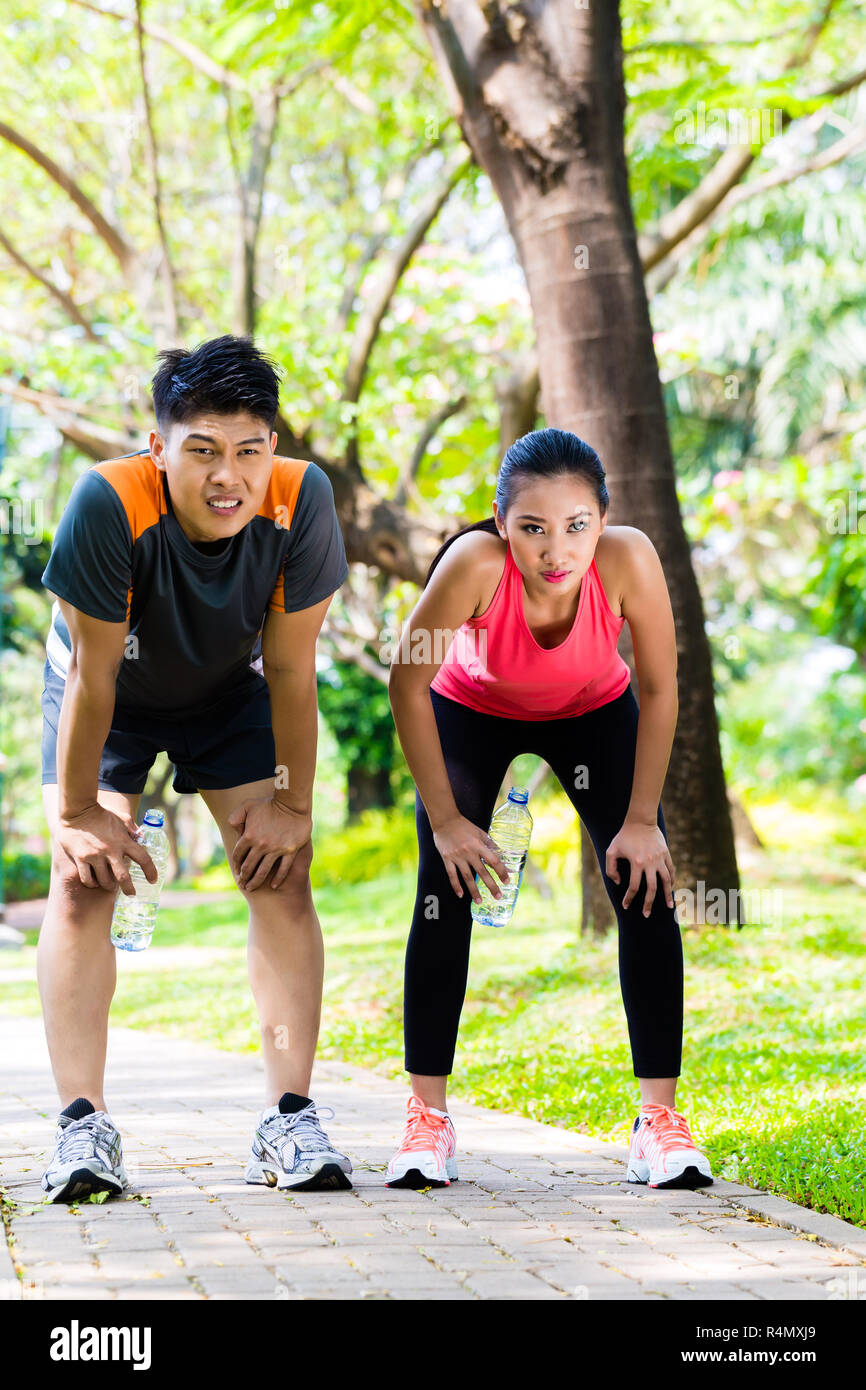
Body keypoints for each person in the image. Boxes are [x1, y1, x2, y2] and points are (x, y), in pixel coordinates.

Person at [38, 334, 354, 1201]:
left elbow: (292, 668)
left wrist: (293, 805)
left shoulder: (303, 499)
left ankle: (288, 1118)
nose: (229, 477)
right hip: (111, 693)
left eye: (249, 451)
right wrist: (75, 814)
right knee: (82, 880)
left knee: (281, 874)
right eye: (203, 451)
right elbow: (93, 678)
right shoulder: (108, 502)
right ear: (159, 448)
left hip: (230, 688)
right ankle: (81, 1130)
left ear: (274, 451)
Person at [385, 427, 714, 1192]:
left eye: (575, 526)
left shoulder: (629, 559)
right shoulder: (473, 566)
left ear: (602, 520)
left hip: (595, 712)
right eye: (532, 527)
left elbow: (661, 689)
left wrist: (639, 821)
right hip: (471, 710)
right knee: (444, 891)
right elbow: (406, 682)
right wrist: (445, 821)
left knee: (647, 887)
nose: (555, 549)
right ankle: (426, 1119)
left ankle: (658, 1123)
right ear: (502, 524)